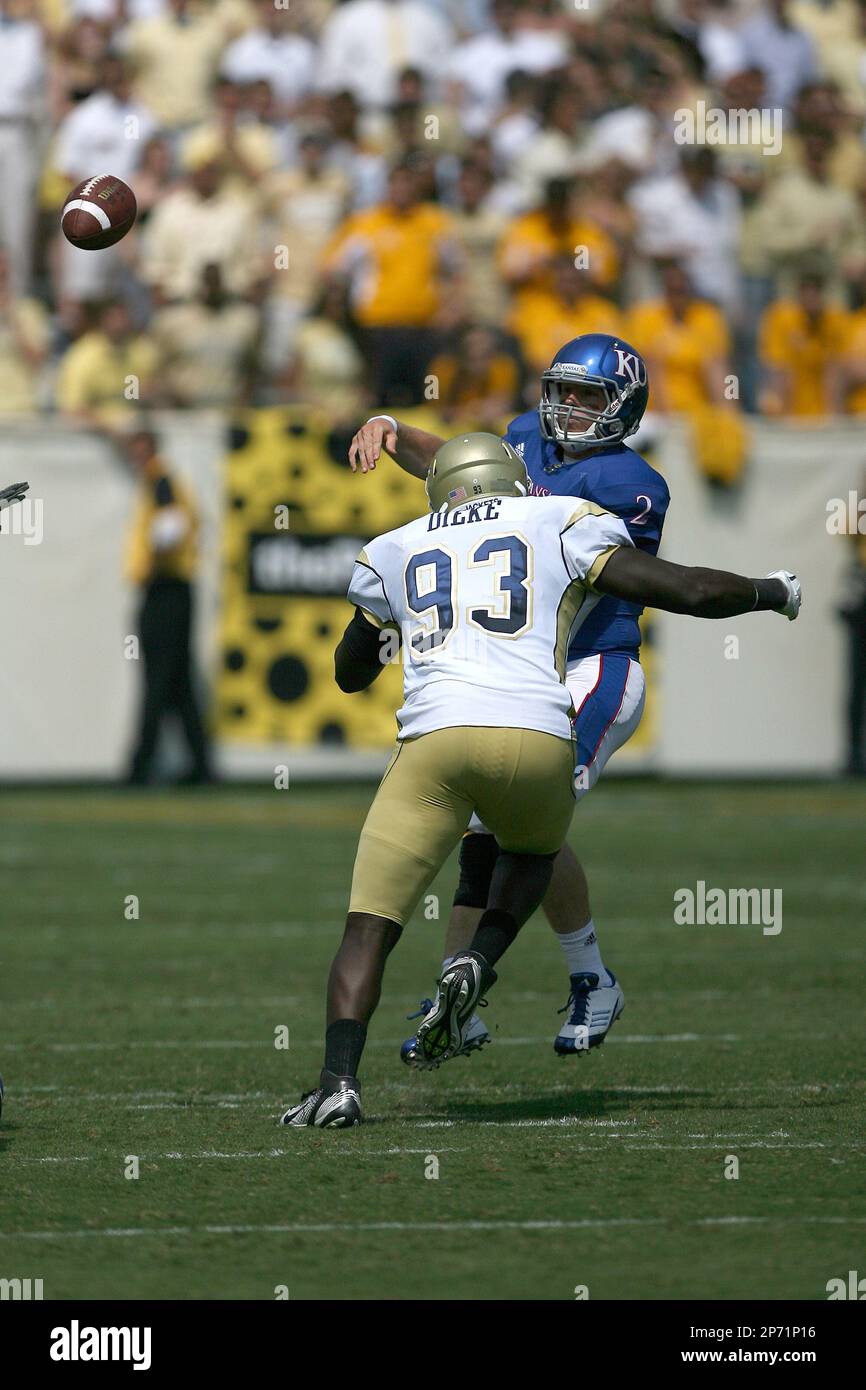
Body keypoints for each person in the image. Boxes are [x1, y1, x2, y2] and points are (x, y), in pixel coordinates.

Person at [280, 431, 800, 1127]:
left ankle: (338, 1083)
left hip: (433, 741)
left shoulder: (397, 545)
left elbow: (350, 674)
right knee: (531, 850)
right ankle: (479, 960)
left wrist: (394, 623)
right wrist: (772, 591)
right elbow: (684, 588)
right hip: (535, 735)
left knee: (368, 927)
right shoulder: (558, 518)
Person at [348, 333, 668, 1062]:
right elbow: (459, 468)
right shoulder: (526, 437)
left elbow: (527, 517)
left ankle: (589, 978)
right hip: (529, 673)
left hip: (594, 670)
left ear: (623, 409)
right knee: (487, 827)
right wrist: (396, 432)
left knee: (527, 823)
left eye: (590, 397)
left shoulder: (631, 483)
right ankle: (462, 998)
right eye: (565, 392)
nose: (571, 408)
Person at [124, 428, 213, 786]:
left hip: (165, 590)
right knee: (178, 683)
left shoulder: (159, 479)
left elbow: (171, 527)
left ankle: (140, 767)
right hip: (175, 591)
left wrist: (154, 566)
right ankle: (201, 766)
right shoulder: (164, 479)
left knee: (158, 680)